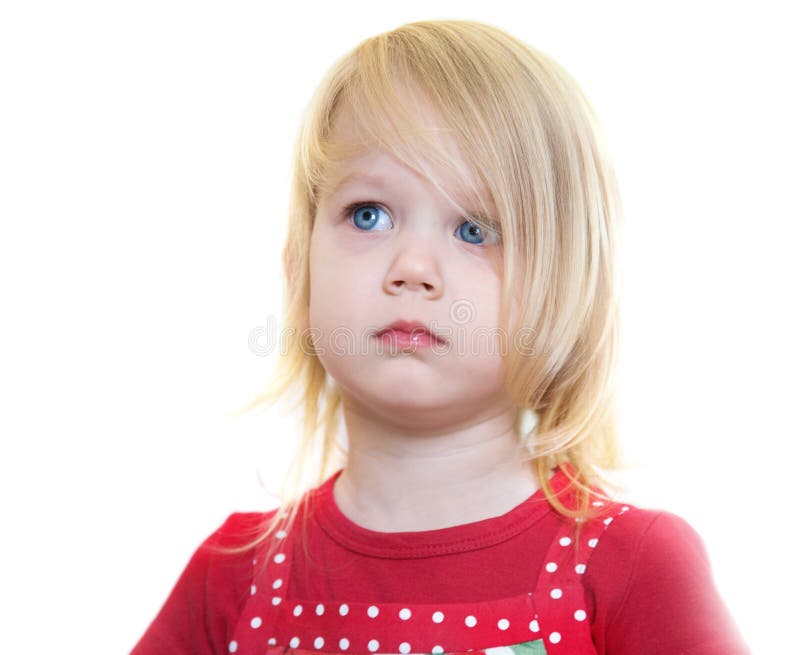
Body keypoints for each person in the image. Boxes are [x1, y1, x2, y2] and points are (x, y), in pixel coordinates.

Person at [131, 19, 750, 655]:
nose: (413, 268)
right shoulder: (234, 580)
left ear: (567, 289)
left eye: (476, 229)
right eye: (369, 215)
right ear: (299, 267)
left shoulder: (631, 568)